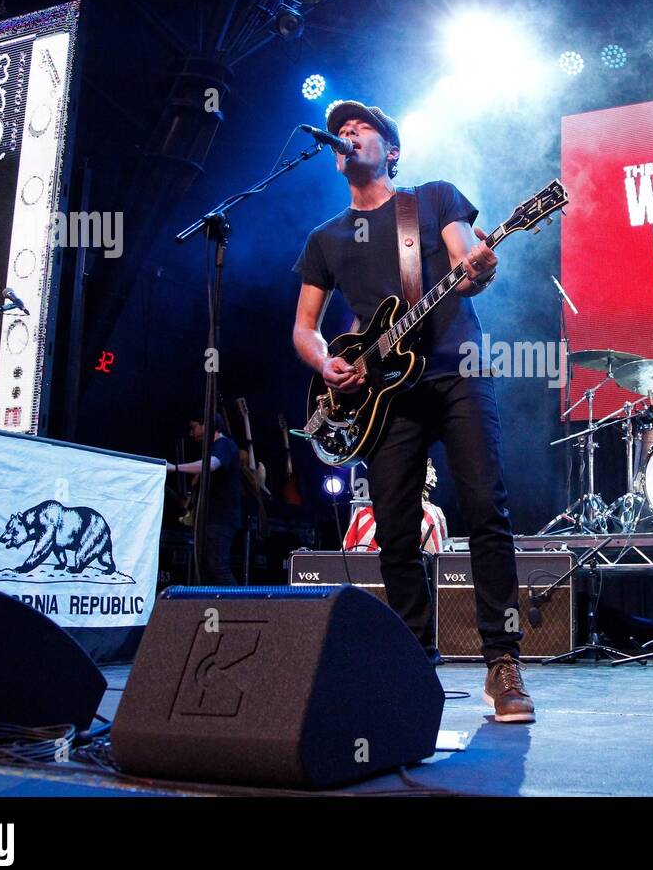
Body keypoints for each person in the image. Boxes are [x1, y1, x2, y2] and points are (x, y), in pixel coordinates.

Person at [291, 100, 533, 723]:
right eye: (340, 131)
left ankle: (502, 664)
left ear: (390, 150)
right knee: (395, 531)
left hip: (456, 369)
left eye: (360, 128)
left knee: (485, 509)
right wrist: (325, 363)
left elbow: (466, 263)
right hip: (382, 397)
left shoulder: (431, 199)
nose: (346, 136)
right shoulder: (326, 238)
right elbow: (305, 328)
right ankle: (412, 664)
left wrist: (477, 265)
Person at [167, 413, 242, 586]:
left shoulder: (224, 445)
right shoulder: (216, 447)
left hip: (221, 520)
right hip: (211, 520)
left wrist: (175, 468)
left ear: (206, 425)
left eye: (194, 427)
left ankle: (240, 609)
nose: (192, 433)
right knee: (208, 568)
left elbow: (211, 465)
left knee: (217, 566)